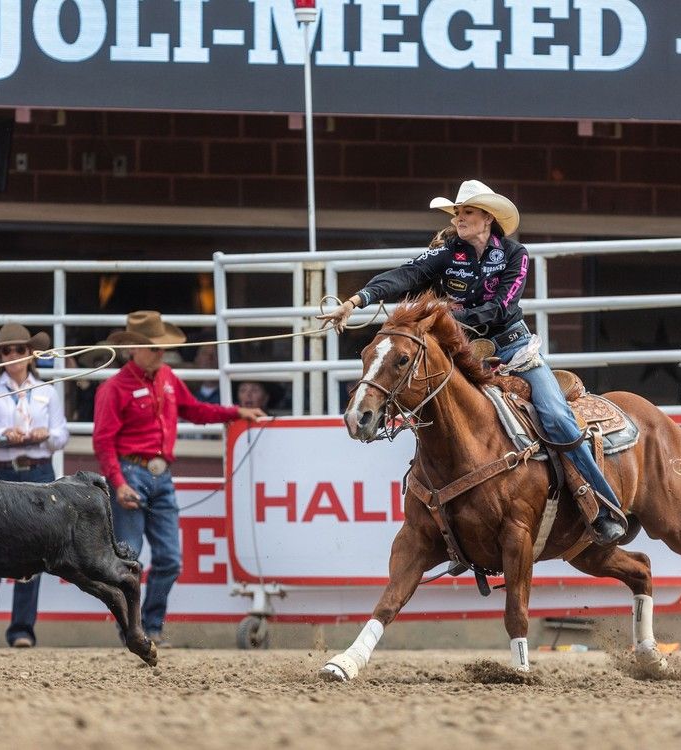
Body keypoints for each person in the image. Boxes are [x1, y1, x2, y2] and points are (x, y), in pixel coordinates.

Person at [319, 179, 627, 546]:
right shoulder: (448, 253)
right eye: (457, 213)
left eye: (466, 212)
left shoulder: (514, 254)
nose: (459, 219)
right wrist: (357, 300)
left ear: (487, 218)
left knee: (557, 415)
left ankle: (603, 503)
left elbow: (501, 307)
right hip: (465, 353)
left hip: (513, 350)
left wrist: (445, 319)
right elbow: (405, 275)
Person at [92, 311, 266, 646]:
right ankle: (136, 628)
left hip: (157, 474)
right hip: (132, 472)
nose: (161, 354)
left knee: (169, 558)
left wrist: (234, 413)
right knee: (131, 559)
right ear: (134, 349)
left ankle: (148, 626)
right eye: (154, 349)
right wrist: (118, 482)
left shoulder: (166, 378)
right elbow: (103, 441)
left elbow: (195, 409)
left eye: (161, 349)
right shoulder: (114, 389)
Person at [0, 323, 68, 650]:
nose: (12, 356)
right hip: (2, 470)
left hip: (36, 469)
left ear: (29, 354)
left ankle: (22, 629)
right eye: (6, 351)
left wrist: (45, 436)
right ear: (0, 355)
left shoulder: (47, 392)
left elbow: (61, 435)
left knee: (34, 551)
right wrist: (1, 435)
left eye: (19, 350)